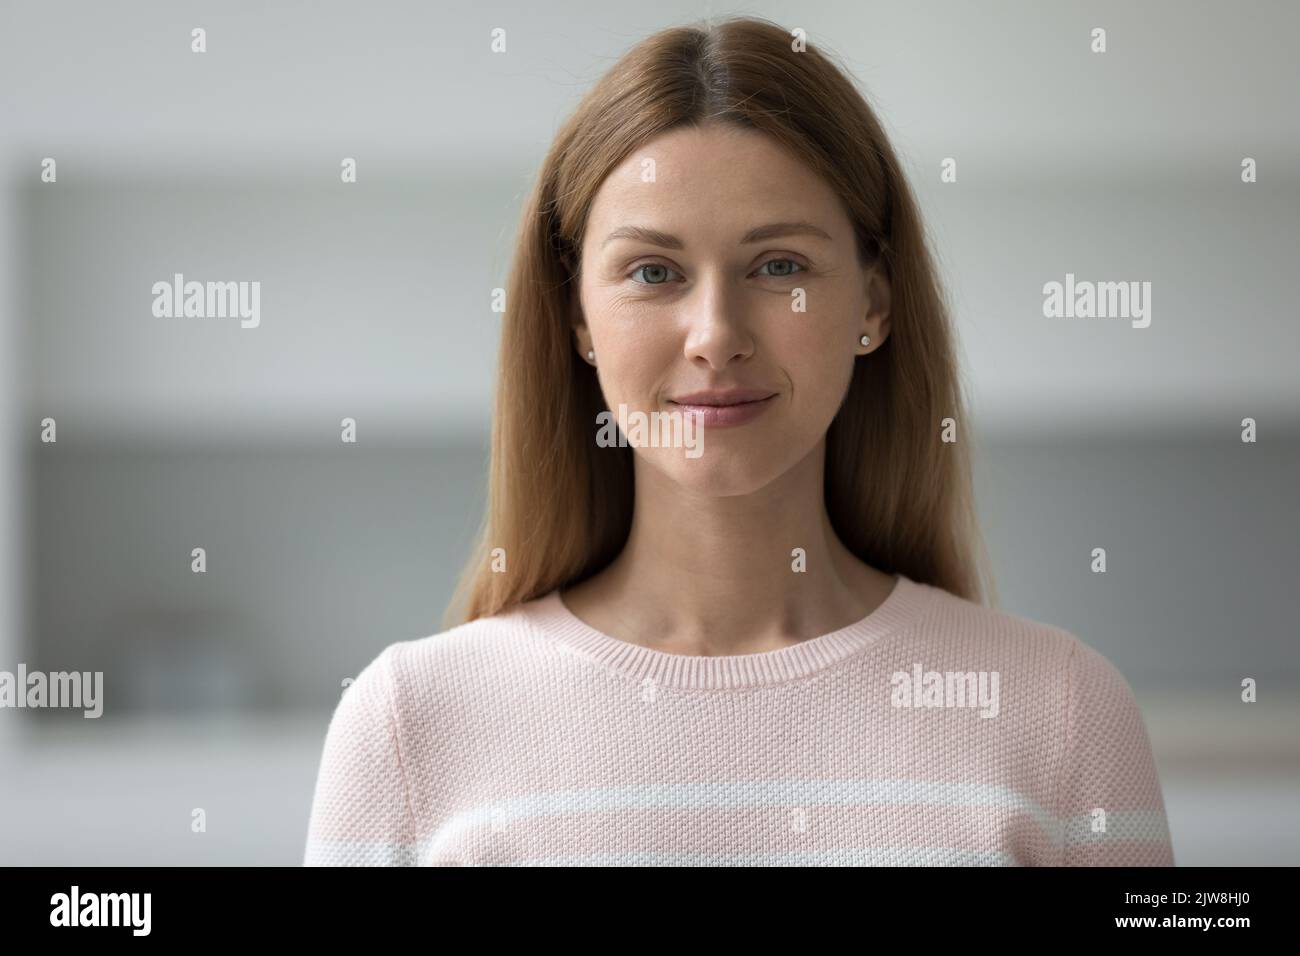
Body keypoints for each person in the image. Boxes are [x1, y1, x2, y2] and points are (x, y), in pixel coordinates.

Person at [304, 15, 1174, 866]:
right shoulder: (408, 727)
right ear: (577, 315)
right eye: (653, 272)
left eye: (780, 266)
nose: (714, 334)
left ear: (874, 302)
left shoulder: (1060, 713)